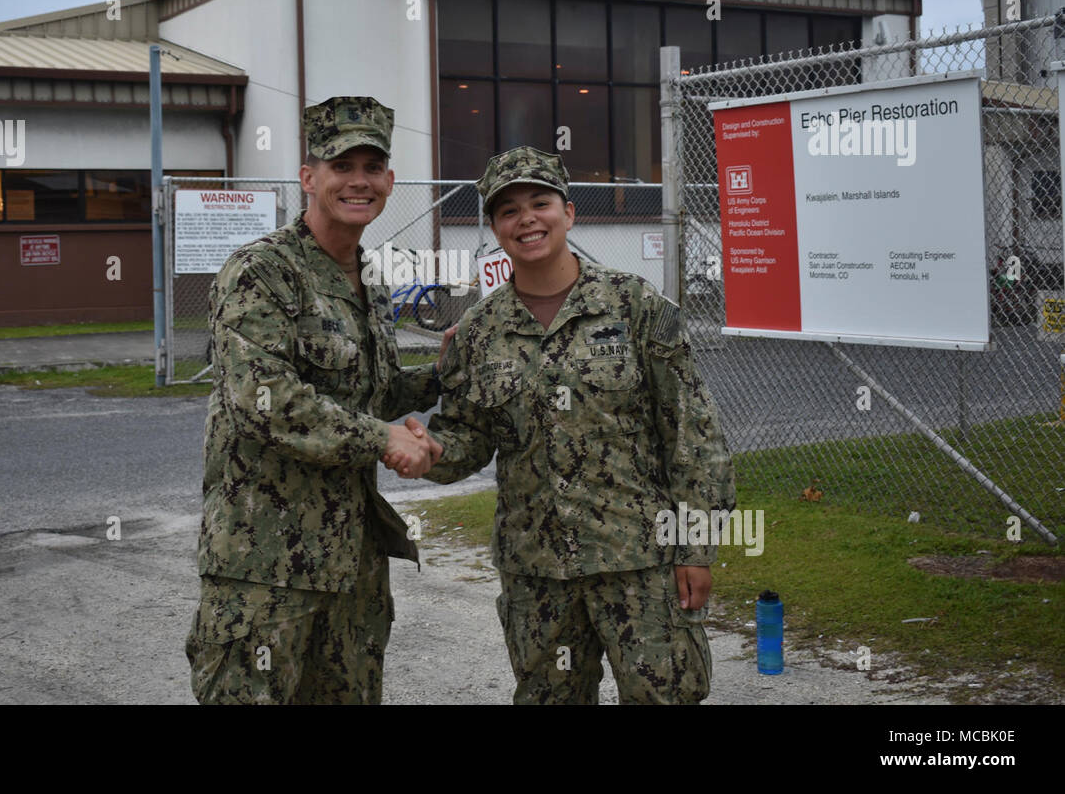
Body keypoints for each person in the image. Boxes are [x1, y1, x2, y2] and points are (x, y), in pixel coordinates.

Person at [398, 146, 737, 704]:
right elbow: (469, 437)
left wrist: (697, 548)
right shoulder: (480, 328)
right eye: (508, 211)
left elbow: (693, 434)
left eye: (539, 202)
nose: (526, 219)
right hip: (537, 571)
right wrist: (430, 449)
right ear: (495, 229)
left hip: (641, 562)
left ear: (569, 213)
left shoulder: (635, 305)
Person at [185, 95, 447, 704]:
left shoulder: (367, 279)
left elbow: (372, 394)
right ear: (309, 178)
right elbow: (267, 399)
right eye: (340, 165)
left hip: (352, 562)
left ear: (388, 180)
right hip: (264, 566)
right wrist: (384, 439)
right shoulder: (260, 271)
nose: (358, 180)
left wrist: (441, 372)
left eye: (372, 166)